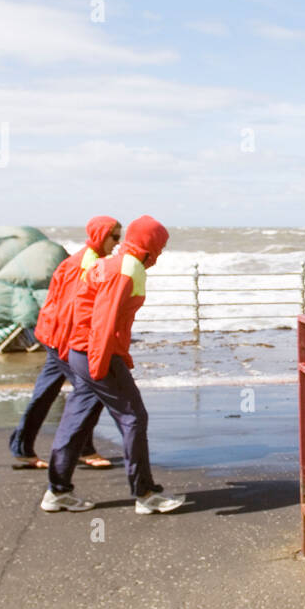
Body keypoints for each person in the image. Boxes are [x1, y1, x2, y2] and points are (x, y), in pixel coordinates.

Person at [41, 215, 183, 515]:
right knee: (134, 417)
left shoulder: (109, 263)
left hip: (79, 351)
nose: (161, 252)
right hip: (95, 354)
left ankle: (57, 491)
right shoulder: (128, 267)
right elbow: (104, 321)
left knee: (76, 420)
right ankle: (145, 494)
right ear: (150, 243)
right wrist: (101, 364)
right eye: (161, 245)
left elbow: (87, 311)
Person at [9, 216, 119, 470]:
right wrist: (76, 346)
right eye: (114, 237)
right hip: (64, 338)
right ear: (101, 236)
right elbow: (73, 309)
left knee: (45, 391)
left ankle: (22, 448)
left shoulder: (80, 259)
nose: (117, 243)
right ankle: (83, 448)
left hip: (52, 334)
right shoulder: (88, 265)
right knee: (89, 390)